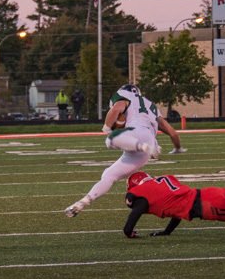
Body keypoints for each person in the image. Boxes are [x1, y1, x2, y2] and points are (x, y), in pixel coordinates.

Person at [65, 83, 183, 217]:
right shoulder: (151, 105)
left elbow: (117, 109)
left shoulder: (124, 95)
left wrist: (107, 127)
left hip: (136, 133)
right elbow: (173, 133)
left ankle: (144, 146)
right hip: (146, 142)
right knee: (109, 175)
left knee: (110, 139)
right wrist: (177, 148)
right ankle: (83, 202)